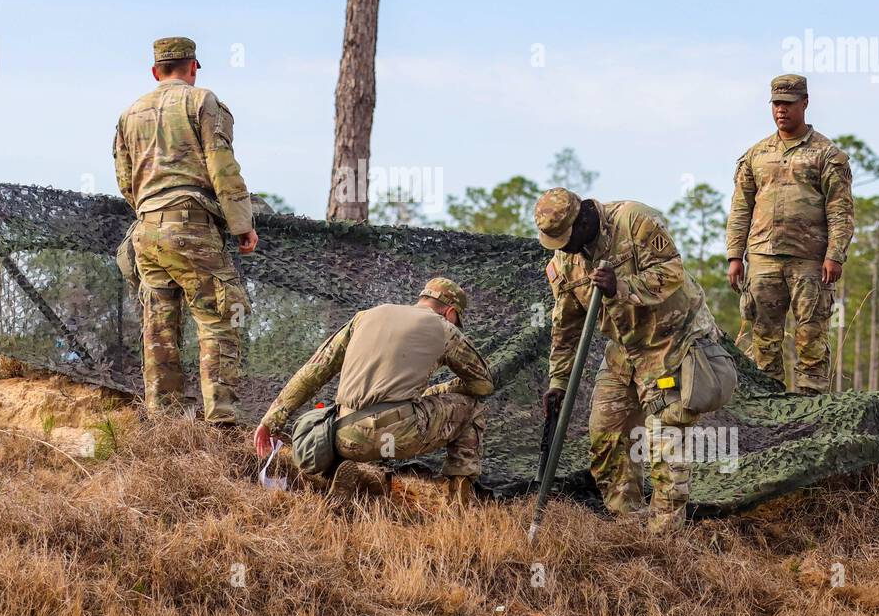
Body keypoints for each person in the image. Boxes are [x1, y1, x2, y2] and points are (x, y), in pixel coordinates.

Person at [535, 188, 721, 532]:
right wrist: (558, 381)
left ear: (584, 220)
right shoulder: (564, 259)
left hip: (673, 343)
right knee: (606, 433)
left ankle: (664, 537)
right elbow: (566, 325)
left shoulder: (635, 220)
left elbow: (671, 272)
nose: (562, 247)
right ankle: (629, 526)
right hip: (625, 350)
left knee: (665, 437)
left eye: (565, 238)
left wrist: (620, 285)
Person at [113, 37, 257, 424]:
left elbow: (125, 181)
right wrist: (242, 223)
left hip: (147, 231)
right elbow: (222, 165)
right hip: (192, 228)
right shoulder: (202, 101)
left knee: (159, 330)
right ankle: (221, 419)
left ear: (155, 71)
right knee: (223, 316)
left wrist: (151, 210)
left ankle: (164, 422)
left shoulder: (130, 113)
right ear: (193, 67)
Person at [252, 278, 492, 504]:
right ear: (450, 312)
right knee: (472, 406)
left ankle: (335, 473)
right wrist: (442, 389)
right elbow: (483, 384)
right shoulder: (445, 329)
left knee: (333, 415)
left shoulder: (364, 317)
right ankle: (457, 502)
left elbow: (314, 371)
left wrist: (271, 421)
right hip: (400, 435)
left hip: (344, 437)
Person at [726, 74, 854, 393]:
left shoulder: (827, 154)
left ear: (805, 103)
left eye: (788, 104)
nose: (781, 110)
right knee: (764, 341)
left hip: (809, 261)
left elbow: (840, 210)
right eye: (777, 104)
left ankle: (810, 408)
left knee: (811, 336)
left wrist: (834, 255)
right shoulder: (756, 155)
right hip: (763, 258)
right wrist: (734, 256)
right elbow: (741, 207)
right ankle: (769, 409)